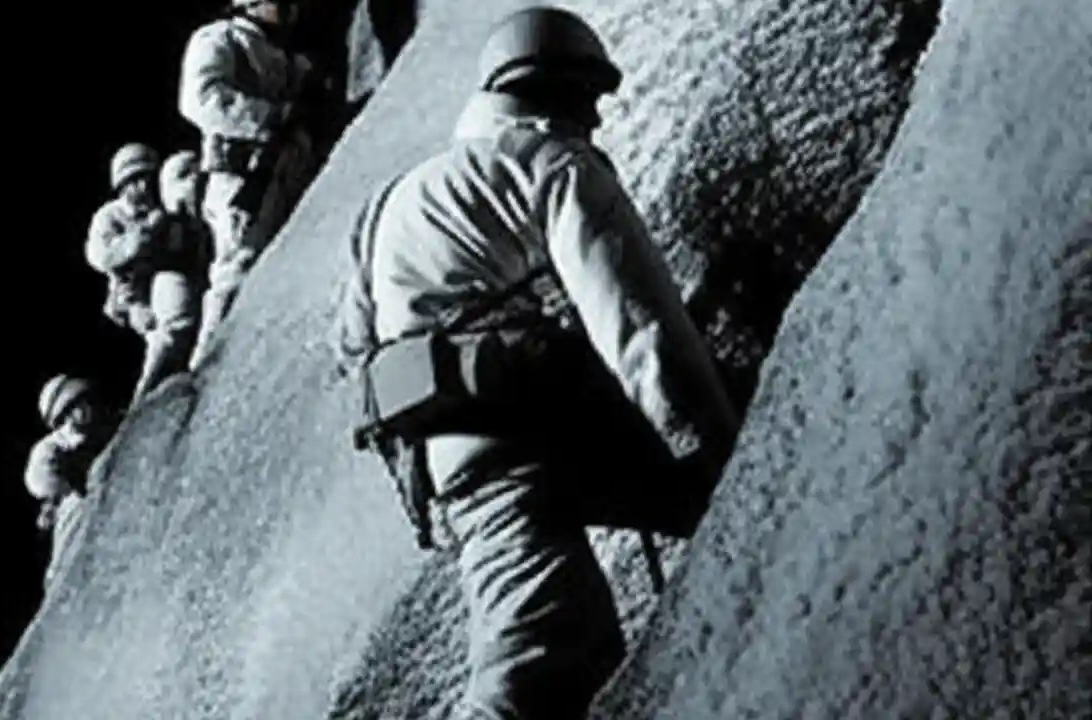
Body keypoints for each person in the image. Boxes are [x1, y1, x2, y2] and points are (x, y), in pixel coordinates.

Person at [336, 8, 741, 718]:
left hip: (449, 456)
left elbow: (351, 347)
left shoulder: (389, 203)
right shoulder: (550, 166)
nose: (595, 117)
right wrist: (720, 451)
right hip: (521, 440)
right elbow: (640, 328)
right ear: (558, 85)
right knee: (535, 670)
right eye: (589, 97)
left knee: (573, 649)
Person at [178, 0, 322, 367]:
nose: (291, 10)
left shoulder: (284, 54)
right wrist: (270, 116)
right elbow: (201, 98)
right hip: (240, 177)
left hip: (286, 176)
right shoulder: (218, 38)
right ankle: (204, 372)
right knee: (235, 275)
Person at [86, 144, 204, 402]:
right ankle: (145, 395)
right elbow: (101, 257)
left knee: (181, 320)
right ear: (121, 185)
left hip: (170, 277)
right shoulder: (109, 217)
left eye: (146, 178)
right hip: (134, 295)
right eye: (134, 180)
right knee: (165, 337)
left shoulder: (165, 205)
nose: (142, 186)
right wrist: (140, 237)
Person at [24, 375, 111, 588]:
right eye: (75, 407)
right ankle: (60, 579)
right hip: (70, 500)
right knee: (75, 513)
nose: (84, 410)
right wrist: (69, 487)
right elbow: (39, 481)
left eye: (85, 402)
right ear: (64, 417)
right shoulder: (52, 448)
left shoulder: (102, 428)